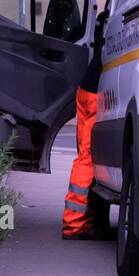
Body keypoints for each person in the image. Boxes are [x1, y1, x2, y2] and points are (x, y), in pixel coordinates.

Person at [62, 12, 107, 239]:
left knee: (86, 154)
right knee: (88, 158)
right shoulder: (115, 16)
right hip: (96, 92)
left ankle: (88, 221)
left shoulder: (105, 17)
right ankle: (74, 225)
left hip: (87, 87)